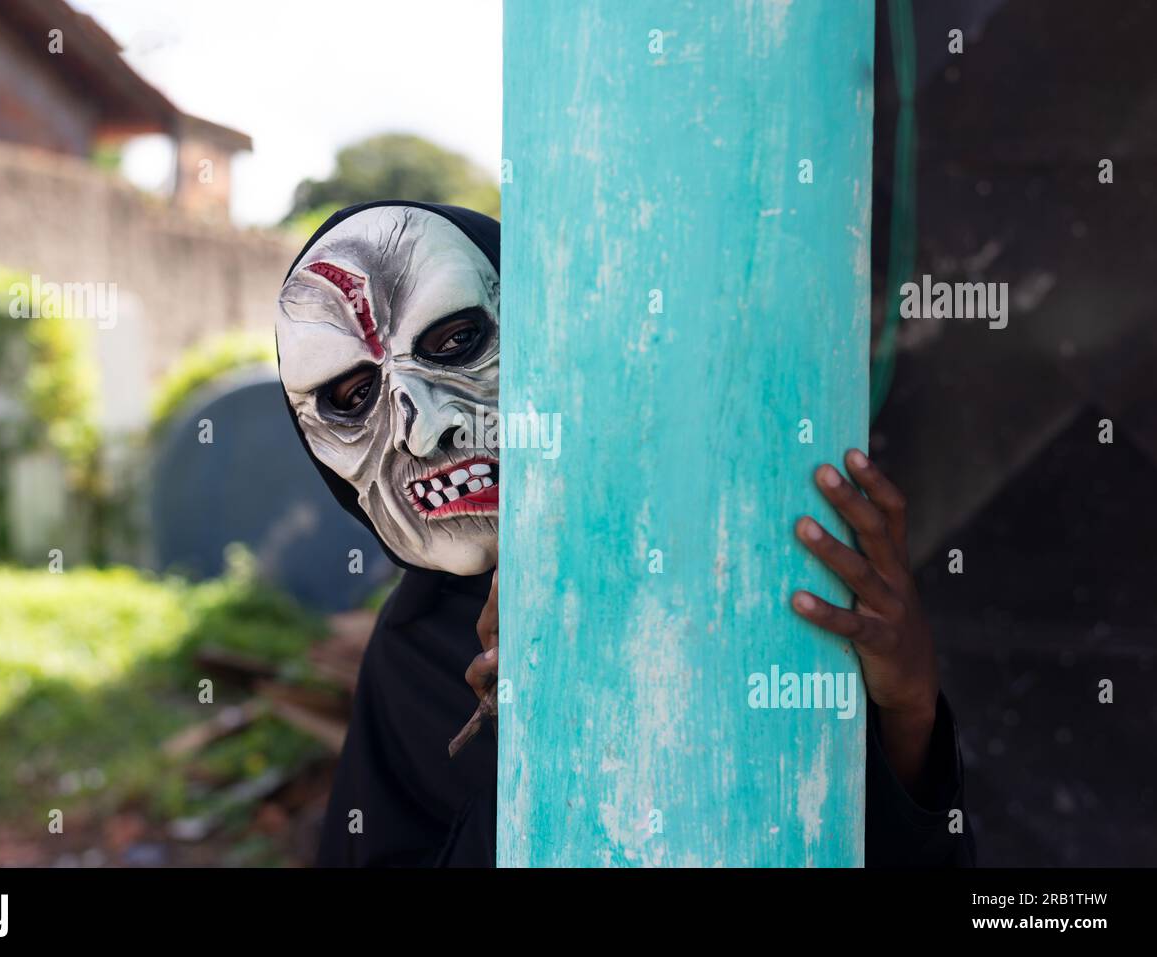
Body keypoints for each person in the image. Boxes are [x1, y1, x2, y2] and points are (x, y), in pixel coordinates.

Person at [275, 200, 974, 867]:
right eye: (351, 396)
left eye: (457, 340)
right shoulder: (411, 660)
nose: (422, 425)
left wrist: (909, 706)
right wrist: (523, 747)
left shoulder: (734, 556)